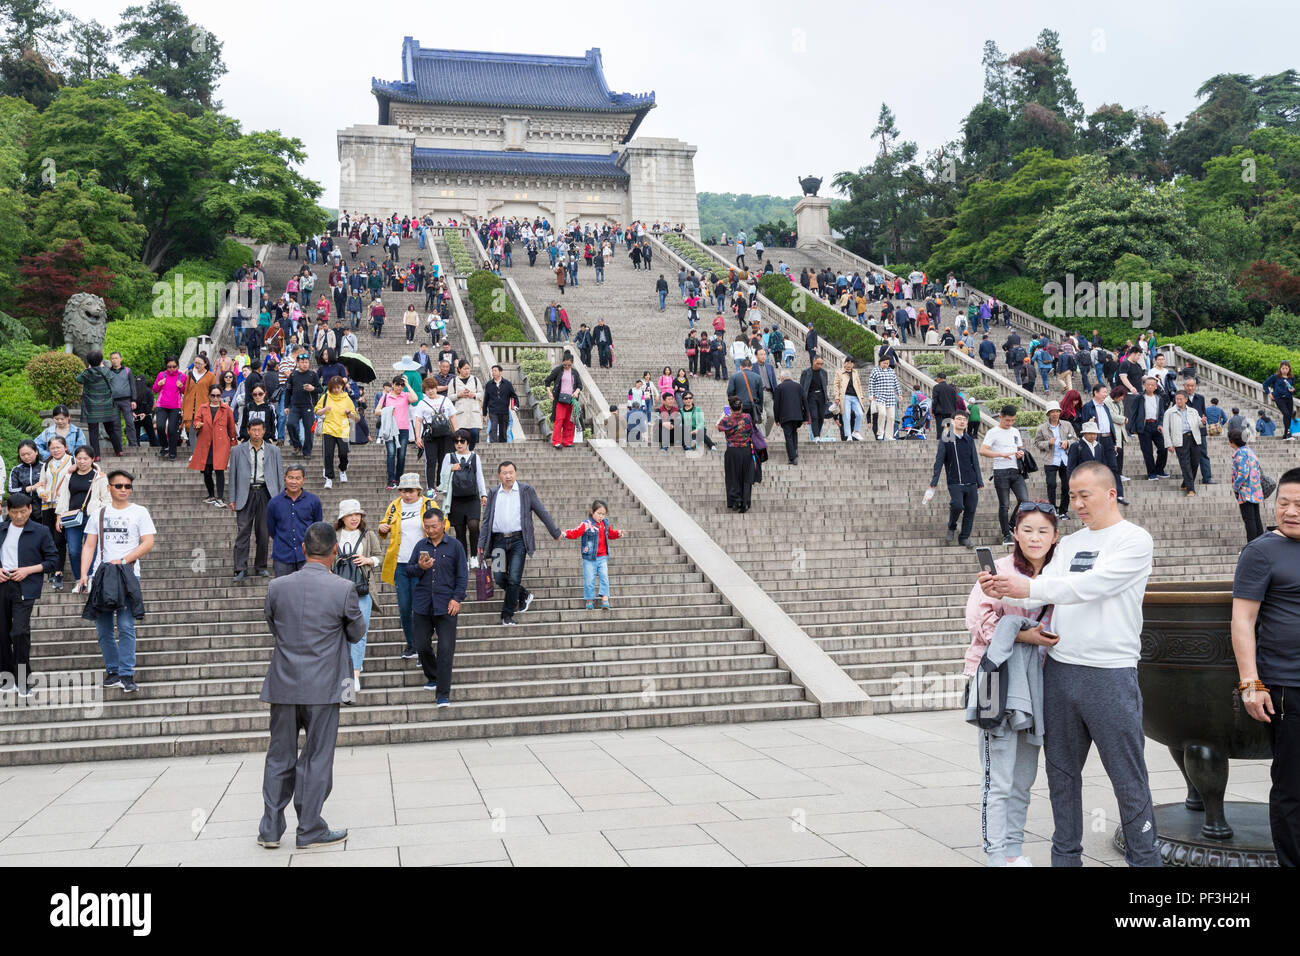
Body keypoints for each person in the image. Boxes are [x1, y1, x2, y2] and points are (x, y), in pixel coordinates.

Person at [981, 462, 1160, 867]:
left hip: (1110, 674)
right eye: (1072, 495)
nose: (1076, 503)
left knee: (1127, 778)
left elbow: (1092, 586)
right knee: (1061, 777)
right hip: (1060, 673)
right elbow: (1044, 593)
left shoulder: (1134, 540)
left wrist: (1030, 586)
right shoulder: (1072, 543)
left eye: (1084, 495)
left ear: (1111, 494)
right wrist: (1004, 587)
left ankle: (1145, 860)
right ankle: (1065, 859)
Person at [258, 521, 365, 851]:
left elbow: (274, 626)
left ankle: (271, 830)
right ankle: (309, 827)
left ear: (303, 549)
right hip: (325, 686)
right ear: (335, 551)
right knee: (317, 757)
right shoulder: (343, 589)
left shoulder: (277, 587)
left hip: (284, 683)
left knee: (279, 756)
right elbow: (357, 633)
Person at [964, 501, 1059, 865]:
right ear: (1015, 534)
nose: (1035, 538)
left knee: (1023, 779)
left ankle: (1014, 852)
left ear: (1055, 537)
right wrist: (1023, 636)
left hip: (1037, 684)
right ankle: (995, 855)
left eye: (1043, 531)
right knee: (998, 778)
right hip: (994, 682)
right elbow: (978, 622)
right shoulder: (998, 572)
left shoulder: (1059, 577)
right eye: (1028, 530)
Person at [1232, 467, 1300, 864]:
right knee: (1292, 785)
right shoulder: (1261, 551)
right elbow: (1242, 620)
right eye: (1283, 503)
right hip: (1288, 686)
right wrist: (1250, 682)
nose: (1289, 511)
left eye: (1299, 505)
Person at [80, 468, 155, 695]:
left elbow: (148, 542)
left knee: (125, 625)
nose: (124, 490)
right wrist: (84, 574)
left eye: (127, 486)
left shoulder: (139, 512)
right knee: (103, 627)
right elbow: (89, 545)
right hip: (101, 575)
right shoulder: (99, 514)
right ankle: (112, 671)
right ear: (109, 487)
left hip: (128, 574)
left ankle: (126, 673)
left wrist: (124, 560)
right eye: (119, 486)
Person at [478, 460, 561, 626]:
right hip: (499, 541)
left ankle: (507, 616)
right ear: (499, 476)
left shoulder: (525, 491)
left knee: (514, 578)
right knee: (500, 577)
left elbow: (541, 511)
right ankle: (523, 595)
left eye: (511, 472)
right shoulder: (494, 492)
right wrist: (481, 542)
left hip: (518, 541)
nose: (508, 476)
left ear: (515, 474)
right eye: (504, 473)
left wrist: (555, 531)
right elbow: (486, 520)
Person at [0, 492, 58, 697]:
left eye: (22, 512)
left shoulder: (41, 531)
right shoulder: (2, 529)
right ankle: (6, 677)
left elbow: (53, 561)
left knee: (19, 632)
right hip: (2, 584)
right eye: (14, 512)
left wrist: (27, 570)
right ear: (8, 511)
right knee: (2, 633)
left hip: (25, 586)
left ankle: (23, 679)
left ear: (30, 509)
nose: (18, 516)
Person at [408, 505, 466, 706]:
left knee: (446, 649)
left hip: (447, 604)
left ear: (443, 524)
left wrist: (457, 598)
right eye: (427, 527)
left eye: (434, 526)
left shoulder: (455, 546)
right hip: (423, 604)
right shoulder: (420, 545)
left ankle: (443, 694)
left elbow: (462, 575)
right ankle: (433, 676)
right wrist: (419, 567)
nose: (430, 530)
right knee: (422, 646)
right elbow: (409, 570)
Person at [378, 473, 430, 659]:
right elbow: (384, 524)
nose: (407, 494)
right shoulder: (394, 506)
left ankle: (423, 645)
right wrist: (382, 528)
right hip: (399, 563)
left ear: (418, 491)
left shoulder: (429, 504)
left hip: (421, 563)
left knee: (420, 607)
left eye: (410, 491)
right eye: (403, 491)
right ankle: (412, 644)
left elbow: (443, 524)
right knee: (404, 607)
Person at [333, 500, 381, 697]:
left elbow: (379, 556)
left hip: (362, 590)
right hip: (337, 590)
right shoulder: (333, 535)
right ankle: (340, 674)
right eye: (350, 514)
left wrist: (368, 560)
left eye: (357, 514)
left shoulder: (368, 535)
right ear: (342, 517)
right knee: (339, 633)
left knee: (359, 633)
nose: (354, 518)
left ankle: (354, 675)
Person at [229, 420, 283, 581]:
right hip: (245, 493)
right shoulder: (238, 450)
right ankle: (240, 568)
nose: (257, 433)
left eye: (259, 430)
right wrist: (232, 498)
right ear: (248, 431)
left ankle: (261, 566)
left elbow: (279, 474)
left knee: (263, 532)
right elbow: (233, 475)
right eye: (253, 430)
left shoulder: (273, 451)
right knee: (243, 531)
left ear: (264, 431)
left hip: (266, 492)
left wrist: (280, 497)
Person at [53, 446, 109, 592]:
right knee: (73, 550)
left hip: (91, 518)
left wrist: (96, 510)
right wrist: (59, 516)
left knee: (90, 549)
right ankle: (79, 580)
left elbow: (107, 500)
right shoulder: (69, 476)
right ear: (75, 459)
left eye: (85, 458)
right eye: (79, 458)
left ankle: (89, 578)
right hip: (72, 519)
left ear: (92, 459)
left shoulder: (100, 477)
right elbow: (63, 497)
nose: (82, 461)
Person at [930, 410, 983, 547]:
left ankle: (964, 537)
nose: (962, 421)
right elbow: (939, 461)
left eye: (964, 419)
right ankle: (952, 526)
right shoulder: (946, 439)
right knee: (957, 505)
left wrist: (979, 480)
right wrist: (934, 482)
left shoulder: (969, 440)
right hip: (954, 481)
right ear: (952, 421)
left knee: (970, 510)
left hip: (971, 481)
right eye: (959, 419)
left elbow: (975, 461)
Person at [980, 405, 1030, 545]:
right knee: (1005, 505)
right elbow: (983, 451)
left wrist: (1021, 453)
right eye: (1007, 420)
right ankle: (1006, 535)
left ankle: (1010, 524)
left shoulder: (1015, 431)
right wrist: (1000, 454)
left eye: (1012, 420)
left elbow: (1019, 448)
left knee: (1025, 500)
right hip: (1000, 471)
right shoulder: (993, 432)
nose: (1010, 423)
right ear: (1000, 417)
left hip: (1016, 470)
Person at [564, 499, 624, 610]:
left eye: (603, 514)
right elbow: (575, 532)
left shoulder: (605, 523)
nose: (601, 516)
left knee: (604, 578)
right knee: (589, 579)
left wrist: (618, 533)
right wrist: (564, 534)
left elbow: (610, 534)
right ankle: (589, 600)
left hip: (602, 557)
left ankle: (605, 599)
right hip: (589, 558)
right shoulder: (587, 524)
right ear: (592, 511)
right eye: (599, 513)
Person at [266, 465, 322, 578]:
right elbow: (271, 529)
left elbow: (317, 526)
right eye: (290, 477)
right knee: (283, 592)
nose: (293, 482)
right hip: (282, 555)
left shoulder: (313, 501)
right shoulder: (274, 503)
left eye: (298, 478)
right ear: (285, 478)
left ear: (303, 480)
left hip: (306, 555)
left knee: (308, 592)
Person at [441, 430, 487, 565]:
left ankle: (474, 556)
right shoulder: (448, 457)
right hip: (455, 498)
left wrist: (483, 494)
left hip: (472, 498)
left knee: (474, 526)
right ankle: (463, 559)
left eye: (462, 441)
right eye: (456, 441)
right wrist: (450, 468)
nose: (459, 444)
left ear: (467, 442)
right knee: (459, 530)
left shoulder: (475, 457)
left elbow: (480, 476)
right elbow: (441, 476)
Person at [189, 385, 238, 506]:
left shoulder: (226, 409)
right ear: (209, 396)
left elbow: (231, 427)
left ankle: (220, 497)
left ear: (221, 396)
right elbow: (196, 421)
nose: (215, 398)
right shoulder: (203, 407)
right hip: (205, 443)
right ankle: (211, 495)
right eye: (213, 395)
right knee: (206, 470)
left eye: (218, 395)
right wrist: (197, 424)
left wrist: (233, 442)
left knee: (219, 470)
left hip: (221, 444)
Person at [37, 436, 73, 590]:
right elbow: (41, 483)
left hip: (64, 506)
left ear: (65, 447)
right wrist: (41, 492)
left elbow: (93, 468)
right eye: (52, 448)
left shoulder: (73, 461)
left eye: (58, 447)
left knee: (59, 539)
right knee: (49, 539)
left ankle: (59, 572)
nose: (56, 450)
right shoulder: (46, 465)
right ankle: (51, 569)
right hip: (47, 506)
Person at [315, 375, 359, 490]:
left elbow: (354, 416)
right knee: (328, 454)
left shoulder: (346, 398)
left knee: (343, 453)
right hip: (328, 429)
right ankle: (329, 478)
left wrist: (349, 413)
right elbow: (317, 411)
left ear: (342, 387)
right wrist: (325, 409)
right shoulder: (325, 397)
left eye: (338, 387)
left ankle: (342, 469)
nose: (336, 390)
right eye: (334, 387)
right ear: (330, 387)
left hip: (343, 429)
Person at [76, 351, 122, 459]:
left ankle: (96, 455)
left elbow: (78, 379)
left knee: (93, 431)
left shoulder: (86, 373)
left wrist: (88, 368)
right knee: (110, 429)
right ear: (101, 360)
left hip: (91, 407)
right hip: (106, 405)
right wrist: (101, 367)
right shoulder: (106, 371)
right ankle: (119, 450)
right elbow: (112, 378)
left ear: (89, 362)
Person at [1034, 402, 1076, 518]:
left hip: (1065, 459)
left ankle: (1063, 511)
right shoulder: (1042, 428)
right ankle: (1052, 510)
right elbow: (1037, 443)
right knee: (1051, 484)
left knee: (1067, 486)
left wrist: (1067, 443)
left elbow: (1075, 439)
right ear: (1048, 414)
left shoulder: (1067, 425)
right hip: (1050, 460)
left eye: (1057, 411)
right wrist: (1048, 443)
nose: (1055, 414)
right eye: (1052, 412)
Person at [413, 384, 458, 492]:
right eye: (427, 389)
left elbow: (452, 417)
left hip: (446, 435)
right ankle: (430, 486)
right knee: (431, 461)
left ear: (436, 388)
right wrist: (417, 437)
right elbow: (418, 420)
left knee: (444, 460)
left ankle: (440, 483)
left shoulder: (445, 400)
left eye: (432, 388)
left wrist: (457, 432)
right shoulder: (422, 403)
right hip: (430, 435)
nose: (430, 391)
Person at [376, 375, 417, 489]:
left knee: (402, 455)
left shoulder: (405, 395)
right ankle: (391, 480)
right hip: (390, 429)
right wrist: (388, 410)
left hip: (403, 429)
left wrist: (407, 384)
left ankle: (399, 479)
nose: (399, 387)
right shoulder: (386, 397)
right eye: (397, 384)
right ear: (393, 385)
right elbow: (376, 411)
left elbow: (415, 399)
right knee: (391, 454)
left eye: (401, 385)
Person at [718, 396, 757, 513]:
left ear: (730, 407)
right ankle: (745, 502)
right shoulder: (747, 417)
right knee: (746, 476)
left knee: (732, 476)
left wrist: (723, 415)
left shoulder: (727, 420)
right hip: (746, 450)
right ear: (741, 406)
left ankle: (735, 501)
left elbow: (718, 427)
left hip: (732, 451)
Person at [1127, 375, 1170, 481]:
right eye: (1148, 385)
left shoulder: (1158, 398)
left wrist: (1161, 424)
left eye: (1152, 385)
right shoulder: (1139, 397)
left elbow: (1161, 413)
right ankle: (1151, 473)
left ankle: (1159, 470)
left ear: (1156, 387)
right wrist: (1133, 428)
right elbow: (1133, 413)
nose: (1150, 387)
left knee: (1163, 448)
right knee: (1147, 452)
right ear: (1144, 386)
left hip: (1156, 426)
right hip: (1144, 426)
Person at [1163, 389, 1203, 496]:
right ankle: (1190, 489)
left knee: (1195, 463)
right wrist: (1169, 444)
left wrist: (1203, 422)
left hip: (1194, 438)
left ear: (1186, 399)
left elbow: (1200, 424)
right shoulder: (1169, 412)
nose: (1178, 401)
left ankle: (1186, 482)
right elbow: (1166, 430)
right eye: (1177, 399)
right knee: (1185, 464)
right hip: (1180, 439)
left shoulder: (1193, 411)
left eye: (1181, 399)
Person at [1229, 429, 1266, 544]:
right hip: (1255, 489)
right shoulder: (1250, 451)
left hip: (1246, 491)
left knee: (1249, 520)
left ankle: (1252, 546)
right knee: (1256, 519)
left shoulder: (1240, 454)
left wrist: (1235, 487)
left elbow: (1243, 473)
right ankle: (1260, 544)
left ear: (1232, 442)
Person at [544, 352, 583, 449]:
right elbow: (547, 381)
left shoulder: (574, 372)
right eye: (565, 364)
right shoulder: (558, 370)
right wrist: (549, 392)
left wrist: (577, 392)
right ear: (562, 362)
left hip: (572, 400)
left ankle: (568, 441)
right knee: (559, 420)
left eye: (569, 365)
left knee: (570, 422)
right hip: (560, 400)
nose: (566, 366)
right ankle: (556, 441)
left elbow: (579, 385)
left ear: (572, 363)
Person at [285, 353, 320, 458]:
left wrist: (313, 388)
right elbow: (288, 391)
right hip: (295, 406)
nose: (305, 364)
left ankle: (307, 451)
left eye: (307, 362)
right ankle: (297, 445)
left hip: (308, 406)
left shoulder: (312, 375)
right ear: (297, 363)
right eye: (302, 362)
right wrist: (286, 406)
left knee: (309, 429)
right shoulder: (293, 375)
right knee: (290, 424)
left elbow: (320, 389)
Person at [181, 354, 216, 451]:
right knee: (192, 431)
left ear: (205, 364)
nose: (196, 365)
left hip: (204, 406)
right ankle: (194, 453)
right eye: (195, 363)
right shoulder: (191, 375)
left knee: (203, 431)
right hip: (190, 406)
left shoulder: (210, 376)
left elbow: (214, 393)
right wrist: (183, 407)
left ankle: (203, 452)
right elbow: (186, 391)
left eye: (199, 363)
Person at [773, 369, 807, 465]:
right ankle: (794, 452)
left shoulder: (779, 387)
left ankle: (792, 457)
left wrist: (776, 419)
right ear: (790, 377)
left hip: (785, 416)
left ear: (782, 378)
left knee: (788, 436)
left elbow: (776, 405)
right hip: (797, 416)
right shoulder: (798, 386)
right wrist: (806, 417)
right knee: (794, 433)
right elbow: (805, 402)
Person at [105, 352, 138, 449]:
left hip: (126, 400)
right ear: (110, 360)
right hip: (113, 401)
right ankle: (118, 445)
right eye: (112, 358)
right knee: (115, 424)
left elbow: (133, 386)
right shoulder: (108, 372)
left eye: (116, 358)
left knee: (130, 422)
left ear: (121, 359)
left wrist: (134, 400)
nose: (114, 360)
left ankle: (133, 443)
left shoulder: (127, 370)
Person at [449, 360, 484, 449]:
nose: (467, 371)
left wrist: (474, 395)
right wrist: (458, 395)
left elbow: (481, 394)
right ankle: (463, 453)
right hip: (461, 413)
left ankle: (471, 451)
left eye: (468, 369)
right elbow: (449, 397)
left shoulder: (475, 379)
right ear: (459, 369)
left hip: (473, 412)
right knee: (462, 436)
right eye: (464, 369)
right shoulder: (453, 381)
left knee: (475, 433)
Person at [831, 356, 866, 441]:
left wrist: (861, 396)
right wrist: (837, 397)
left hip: (855, 396)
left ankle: (856, 431)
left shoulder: (855, 372)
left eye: (851, 362)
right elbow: (836, 385)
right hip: (845, 396)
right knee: (846, 416)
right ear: (844, 363)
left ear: (853, 364)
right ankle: (848, 435)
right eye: (847, 362)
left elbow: (859, 385)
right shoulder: (839, 372)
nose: (849, 364)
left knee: (860, 414)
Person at [868, 355, 902, 440]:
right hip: (880, 397)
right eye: (884, 363)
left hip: (890, 397)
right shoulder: (875, 371)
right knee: (882, 414)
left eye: (887, 363)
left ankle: (889, 435)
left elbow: (896, 383)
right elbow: (871, 384)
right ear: (880, 362)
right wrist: (871, 395)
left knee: (891, 417)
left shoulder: (891, 371)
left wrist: (899, 394)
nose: (886, 365)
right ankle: (880, 433)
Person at [483, 365, 517, 445]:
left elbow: (514, 396)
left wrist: (515, 406)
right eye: (492, 371)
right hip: (493, 411)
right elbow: (486, 400)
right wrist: (484, 414)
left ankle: (503, 446)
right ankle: (493, 446)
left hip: (504, 411)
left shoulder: (507, 384)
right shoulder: (489, 384)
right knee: (493, 428)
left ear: (500, 372)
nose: (493, 373)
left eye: (495, 371)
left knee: (503, 430)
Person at [1262, 361, 1296, 441]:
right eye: (1283, 368)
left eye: (1286, 368)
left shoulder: (1291, 378)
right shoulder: (1275, 377)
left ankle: (1285, 434)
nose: (1284, 370)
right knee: (1286, 413)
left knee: (1289, 415)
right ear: (1280, 368)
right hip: (1279, 398)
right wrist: (1269, 394)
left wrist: (1293, 390)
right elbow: (1265, 384)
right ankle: (1288, 433)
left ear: (1289, 369)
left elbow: (1293, 389)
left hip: (1289, 398)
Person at [800, 356, 828, 442]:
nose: (820, 365)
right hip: (811, 396)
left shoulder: (824, 372)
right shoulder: (806, 372)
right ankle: (816, 436)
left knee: (821, 417)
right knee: (814, 416)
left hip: (822, 396)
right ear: (813, 361)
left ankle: (818, 434)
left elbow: (825, 385)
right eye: (818, 363)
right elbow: (802, 385)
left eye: (821, 364)